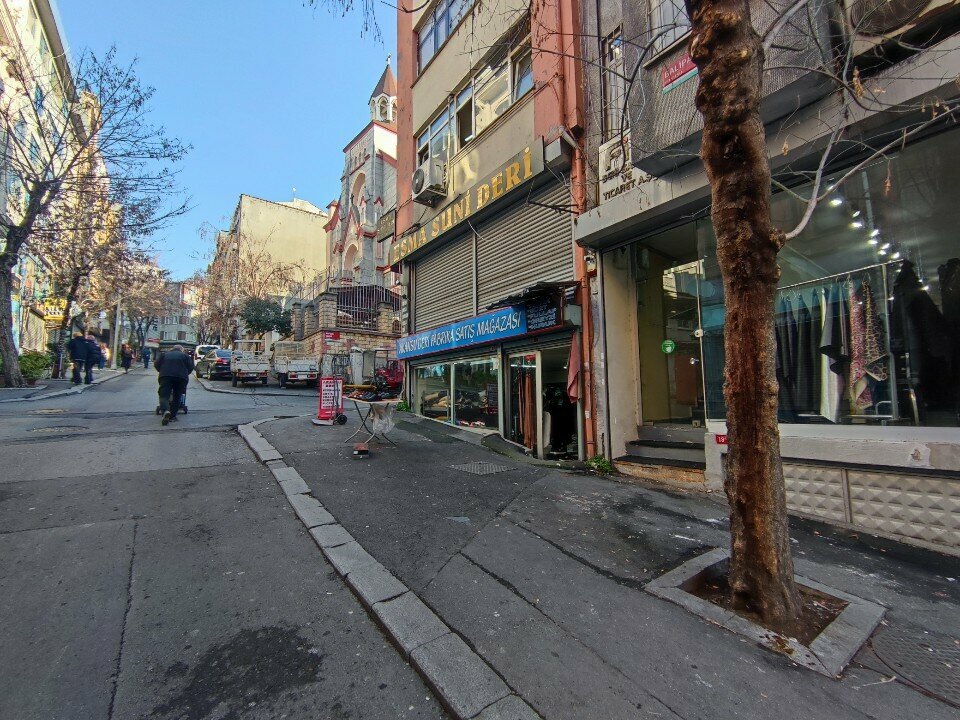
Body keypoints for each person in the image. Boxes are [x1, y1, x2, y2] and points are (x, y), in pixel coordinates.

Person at [155, 344, 194, 425]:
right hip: (181, 378)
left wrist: (162, 371)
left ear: (173, 349)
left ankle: (165, 411)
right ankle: (172, 416)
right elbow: (190, 367)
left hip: (165, 376)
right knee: (177, 396)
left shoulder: (164, 354)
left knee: (164, 395)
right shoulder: (185, 356)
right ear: (181, 350)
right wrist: (185, 373)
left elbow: (157, 364)